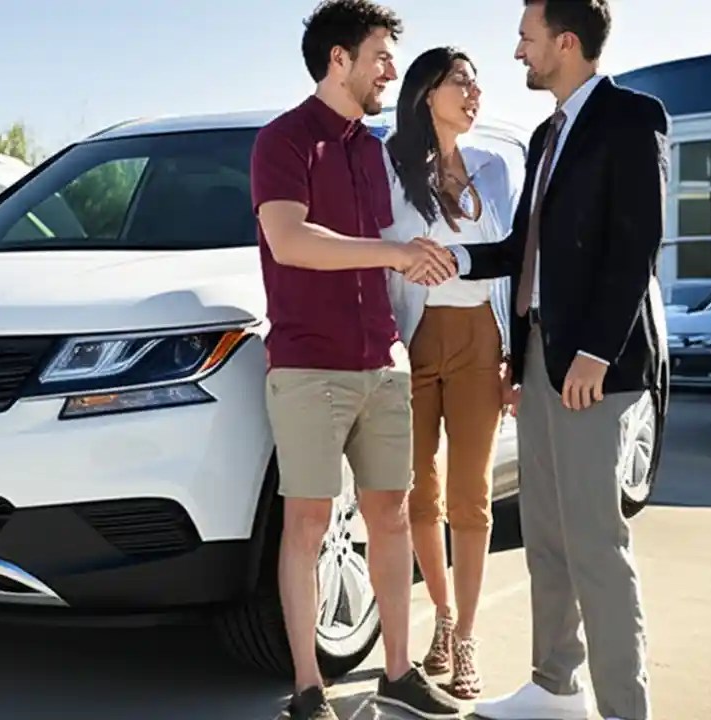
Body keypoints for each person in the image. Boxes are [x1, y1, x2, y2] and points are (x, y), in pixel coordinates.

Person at [414, 2, 670, 719]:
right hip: (540, 364)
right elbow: (525, 253)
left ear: (565, 41)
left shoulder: (631, 116)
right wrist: (454, 258)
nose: (517, 50)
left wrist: (594, 352)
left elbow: (635, 244)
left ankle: (625, 709)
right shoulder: (546, 134)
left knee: (595, 544)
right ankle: (555, 687)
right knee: (548, 537)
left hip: (594, 368)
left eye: (527, 37)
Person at [250, 2, 465, 719]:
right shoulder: (282, 141)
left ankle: (397, 672)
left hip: (382, 361)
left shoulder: (372, 149)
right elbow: (290, 240)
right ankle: (309, 689)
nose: (390, 71)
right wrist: (394, 254)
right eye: (379, 56)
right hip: (310, 365)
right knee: (308, 522)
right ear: (338, 60)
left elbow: (399, 238)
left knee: (393, 516)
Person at [378, 46, 522, 701]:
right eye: (460, 81)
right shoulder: (388, 161)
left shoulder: (495, 165)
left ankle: (464, 636)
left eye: (476, 82)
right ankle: (438, 614)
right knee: (418, 493)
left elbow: (519, 260)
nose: (473, 92)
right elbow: (378, 252)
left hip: (479, 339)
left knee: (471, 494)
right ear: (426, 91)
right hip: (412, 338)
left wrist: (517, 348)